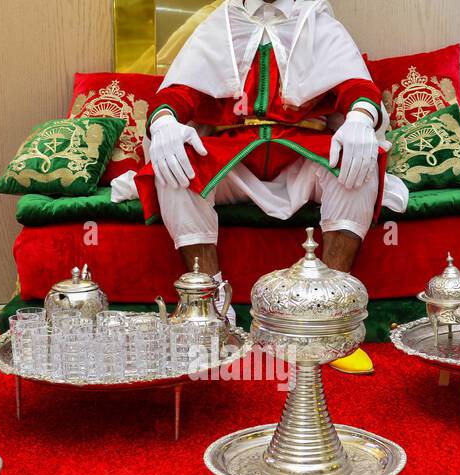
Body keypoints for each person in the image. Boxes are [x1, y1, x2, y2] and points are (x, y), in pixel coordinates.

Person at [134, 0, 398, 374]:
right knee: (173, 168)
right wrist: (162, 123)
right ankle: (209, 312)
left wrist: (360, 117)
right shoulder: (219, 24)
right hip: (234, 155)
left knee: (361, 163)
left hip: (302, 155)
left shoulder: (316, 21)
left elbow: (358, 88)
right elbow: (176, 95)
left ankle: (331, 321)